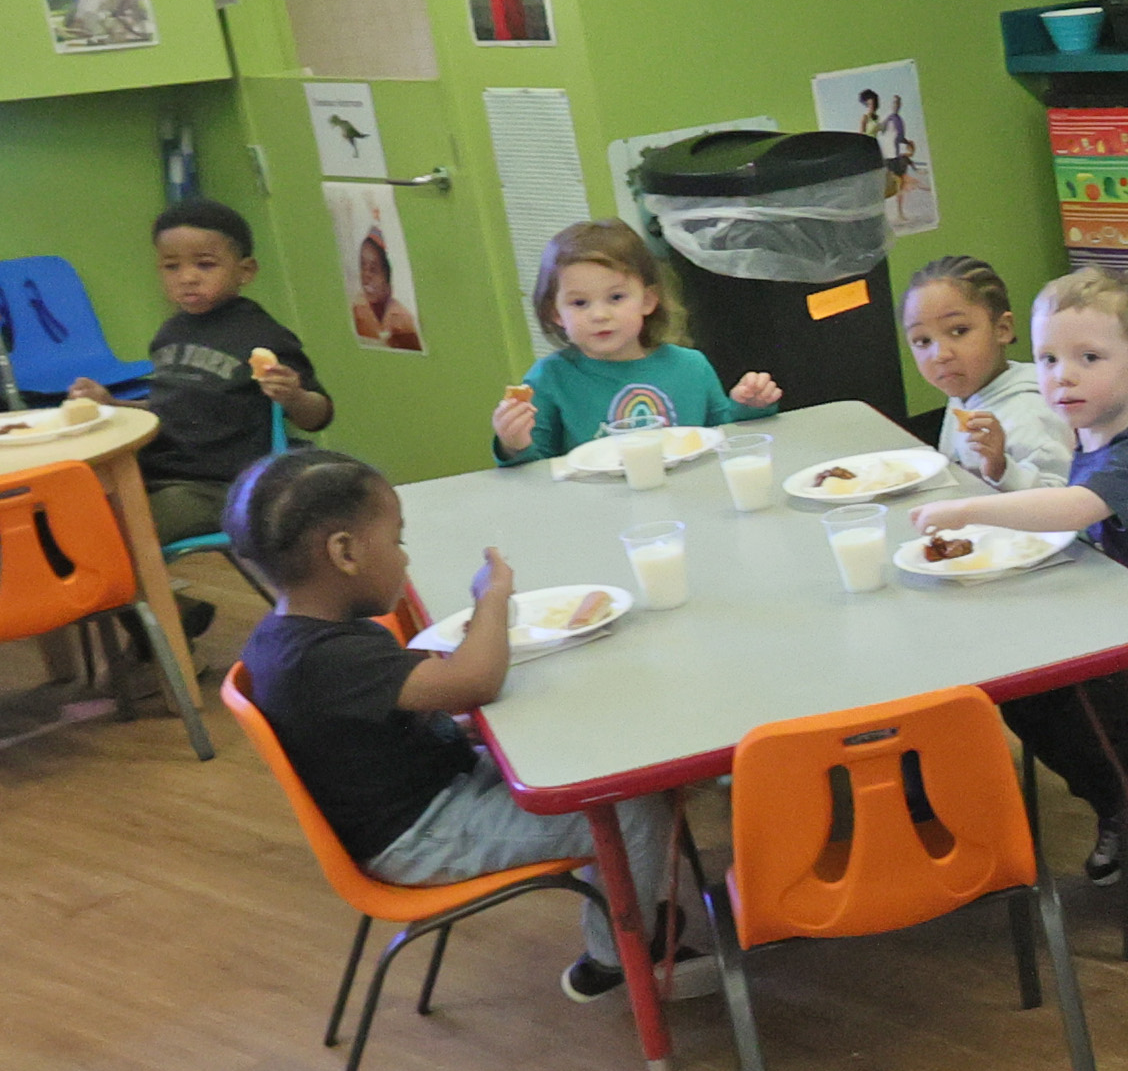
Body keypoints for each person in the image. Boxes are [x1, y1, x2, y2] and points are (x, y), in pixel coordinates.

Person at [227, 449, 708, 1004]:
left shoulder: (297, 635)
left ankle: (632, 910)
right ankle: (614, 961)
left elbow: (392, 716)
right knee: (632, 811)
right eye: (396, 541)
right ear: (345, 552)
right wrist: (494, 598)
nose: (405, 560)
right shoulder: (322, 659)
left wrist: (453, 725)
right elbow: (476, 681)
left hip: (430, 785)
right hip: (421, 833)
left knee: (607, 759)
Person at [909, 266, 1128, 928]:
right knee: (1030, 701)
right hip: (1123, 633)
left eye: (1088, 359)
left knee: (1099, 717)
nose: (1061, 375)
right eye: (1047, 358)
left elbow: (1072, 508)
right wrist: (1003, 474)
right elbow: (1059, 500)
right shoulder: (1088, 437)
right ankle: (1127, 807)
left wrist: (974, 507)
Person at [66, 200, 331, 639]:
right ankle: (176, 613)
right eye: (171, 267)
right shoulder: (170, 334)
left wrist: (295, 394)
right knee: (64, 520)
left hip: (221, 482)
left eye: (205, 264)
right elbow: (171, 410)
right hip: (158, 470)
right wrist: (111, 404)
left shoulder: (261, 335)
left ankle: (168, 650)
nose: (187, 277)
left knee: (111, 540)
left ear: (245, 271)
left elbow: (319, 412)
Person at [488, 220, 779, 465]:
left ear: (648, 300)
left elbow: (725, 438)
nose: (600, 315)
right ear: (555, 313)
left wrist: (750, 407)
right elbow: (537, 475)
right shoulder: (549, 379)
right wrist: (514, 445)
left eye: (616, 297)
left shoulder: (691, 367)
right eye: (579, 303)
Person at [904, 255, 1071, 490]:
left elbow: (1064, 509)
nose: (940, 354)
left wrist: (1001, 468)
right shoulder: (966, 391)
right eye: (922, 341)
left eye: (959, 331)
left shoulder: (1031, 413)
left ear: (1002, 329)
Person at [350, 226, 423, 354]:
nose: (366, 276)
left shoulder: (404, 321)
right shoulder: (357, 310)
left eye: (374, 269)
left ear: (388, 277)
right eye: (363, 266)